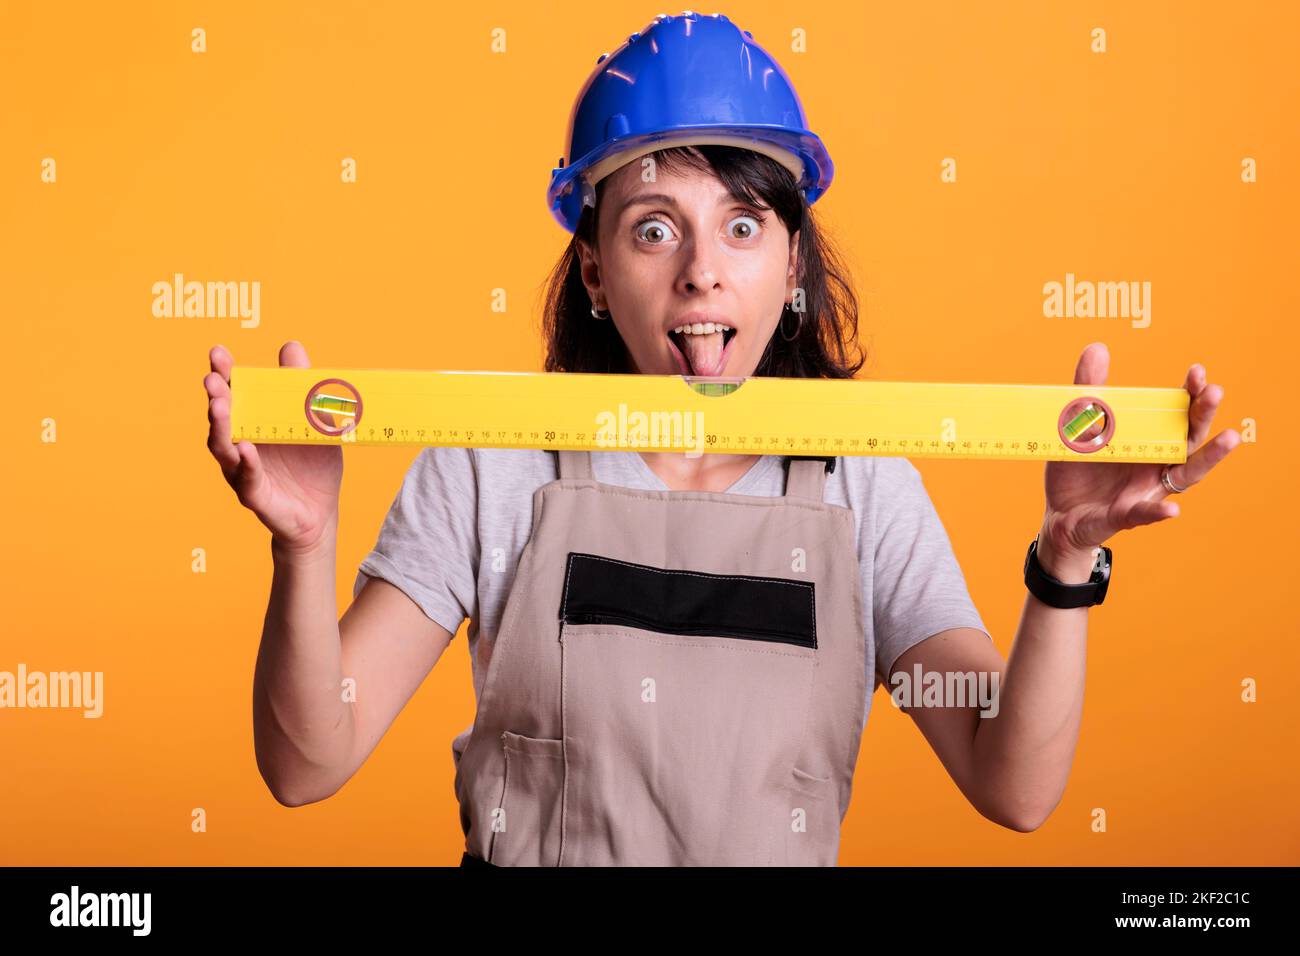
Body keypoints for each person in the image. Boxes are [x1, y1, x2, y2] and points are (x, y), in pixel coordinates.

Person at [202, 12, 1239, 866]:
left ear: (792, 265)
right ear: (598, 274)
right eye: (654, 225)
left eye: (742, 224)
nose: (701, 268)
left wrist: (1064, 562)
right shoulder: (489, 459)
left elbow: (1010, 781)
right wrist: (303, 549)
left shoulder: (861, 489)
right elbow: (306, 764)